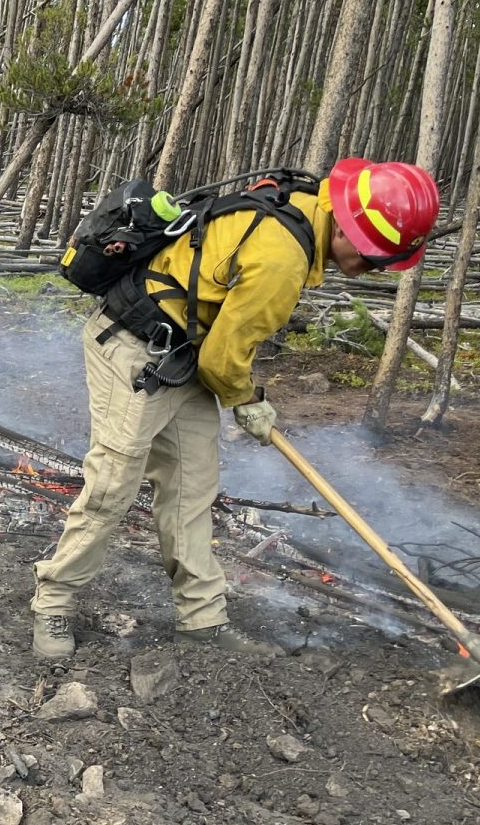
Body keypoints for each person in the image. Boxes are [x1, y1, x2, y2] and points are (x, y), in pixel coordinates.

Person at [31, 158, 440, 660]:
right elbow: (225, 360)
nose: (372, 269)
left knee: (190, 490)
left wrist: (243, 393)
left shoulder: (303, 204)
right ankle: (54, 599)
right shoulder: (283, 258)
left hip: (182, 357)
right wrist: (249, 402)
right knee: (113, 485)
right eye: (376, 259)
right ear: (353, 232)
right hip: (134, 347)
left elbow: (219, 346)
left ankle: (202, 619)